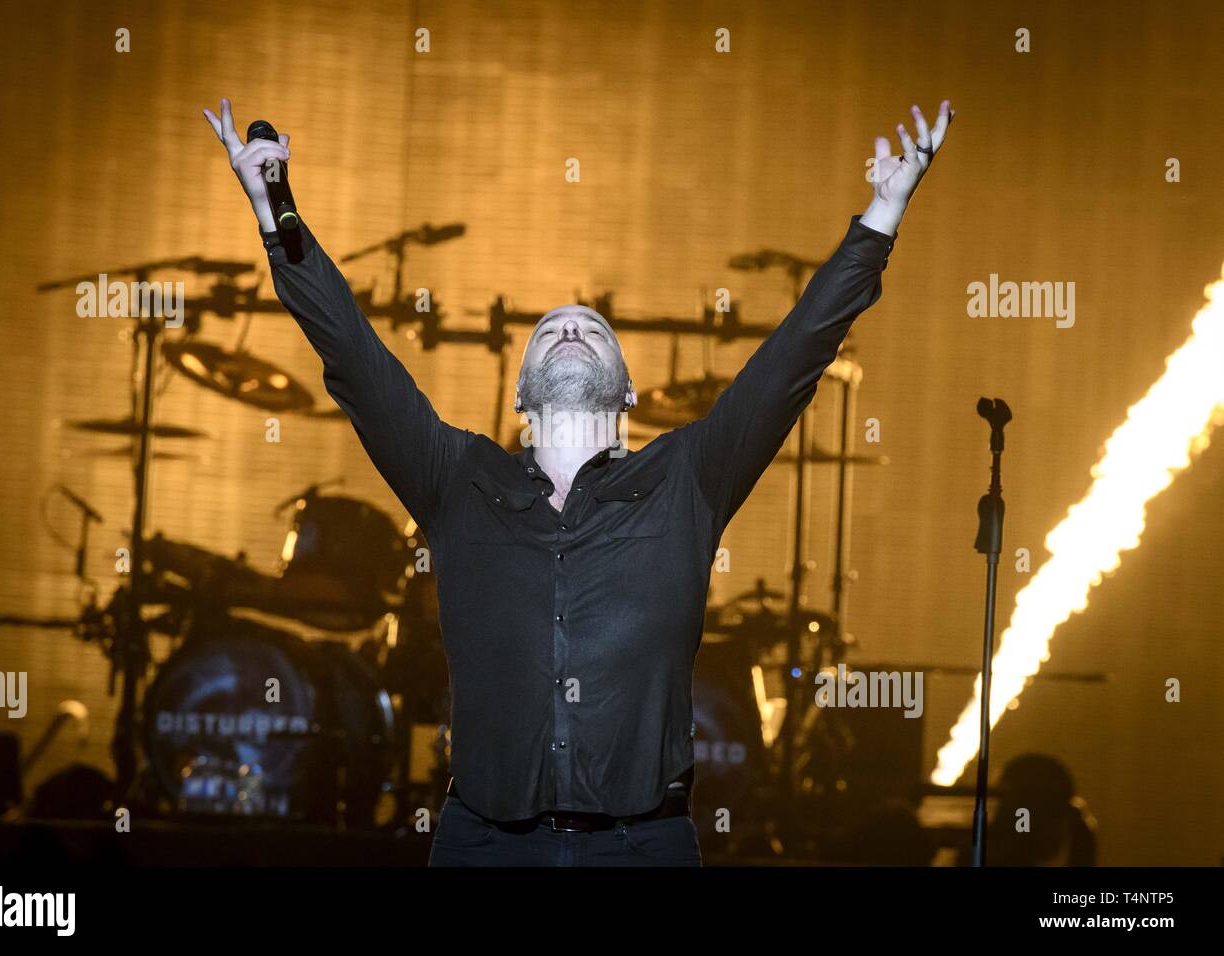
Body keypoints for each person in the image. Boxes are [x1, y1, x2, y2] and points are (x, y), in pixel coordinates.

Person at [202, 96, 955, 865]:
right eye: (550, 329)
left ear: (628, 391)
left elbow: (795, 356)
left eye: (590, 328)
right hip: (484, 843)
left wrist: (881, 216)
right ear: (523, 393)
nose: (568, 328)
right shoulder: (458, 479)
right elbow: (353, 356)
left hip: (643, 844)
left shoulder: (685, 481)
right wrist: (276, 209)